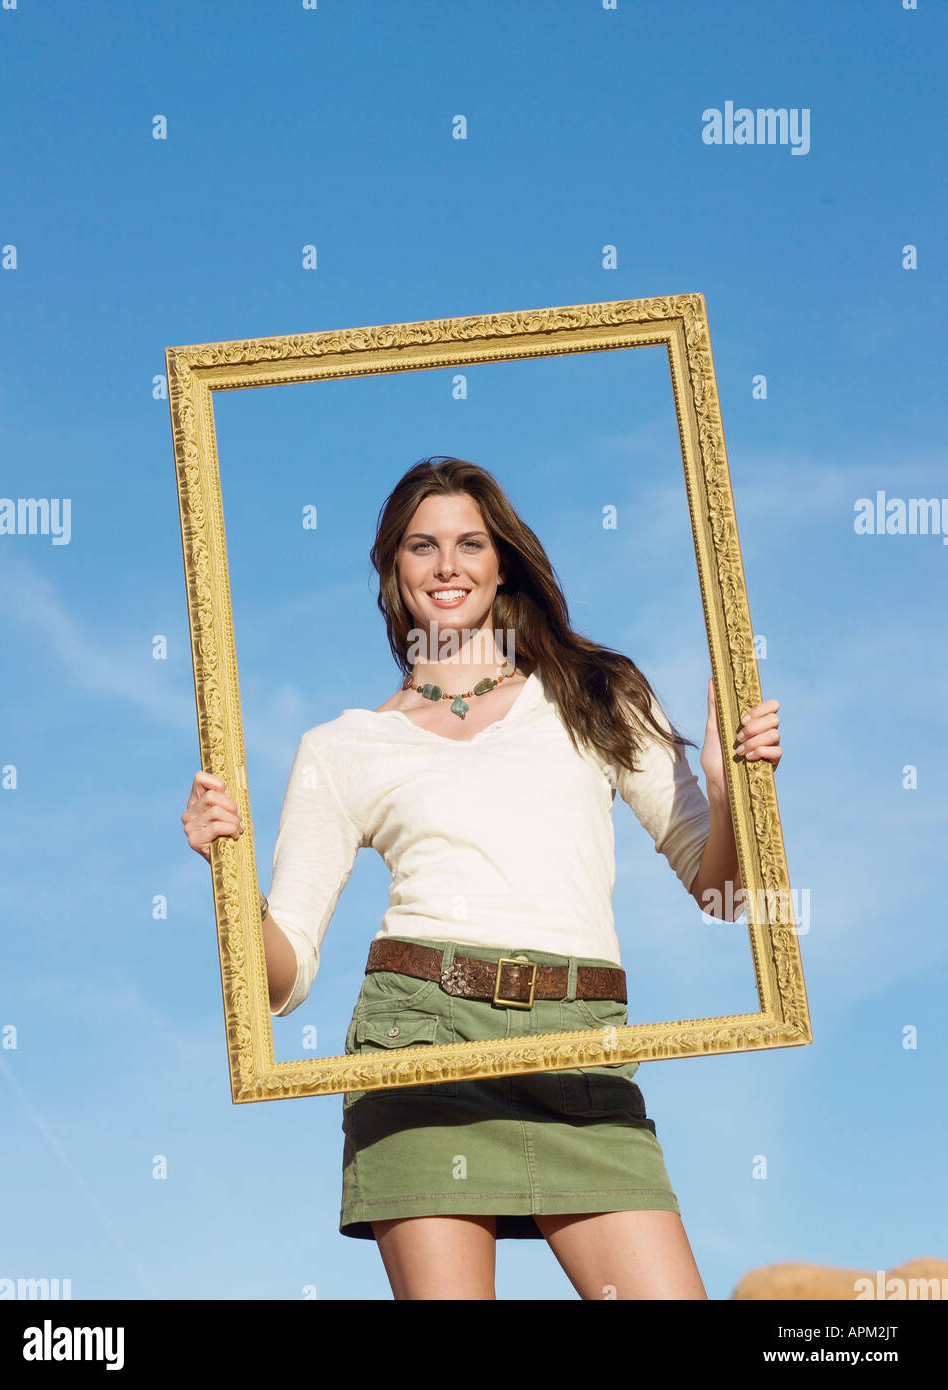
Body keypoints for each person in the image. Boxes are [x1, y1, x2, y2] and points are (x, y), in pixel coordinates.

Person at [181, 456, 783, 1300]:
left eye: (470, 543)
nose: (447, 566)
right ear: (393, 567)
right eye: (421, 547)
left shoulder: (597, 693)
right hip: (420, 1042)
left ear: (503, 561)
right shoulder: (341, 747)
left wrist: (728, 796)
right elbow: (280, 978)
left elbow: (722, 896)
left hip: (583, 1045)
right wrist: (230, 882)